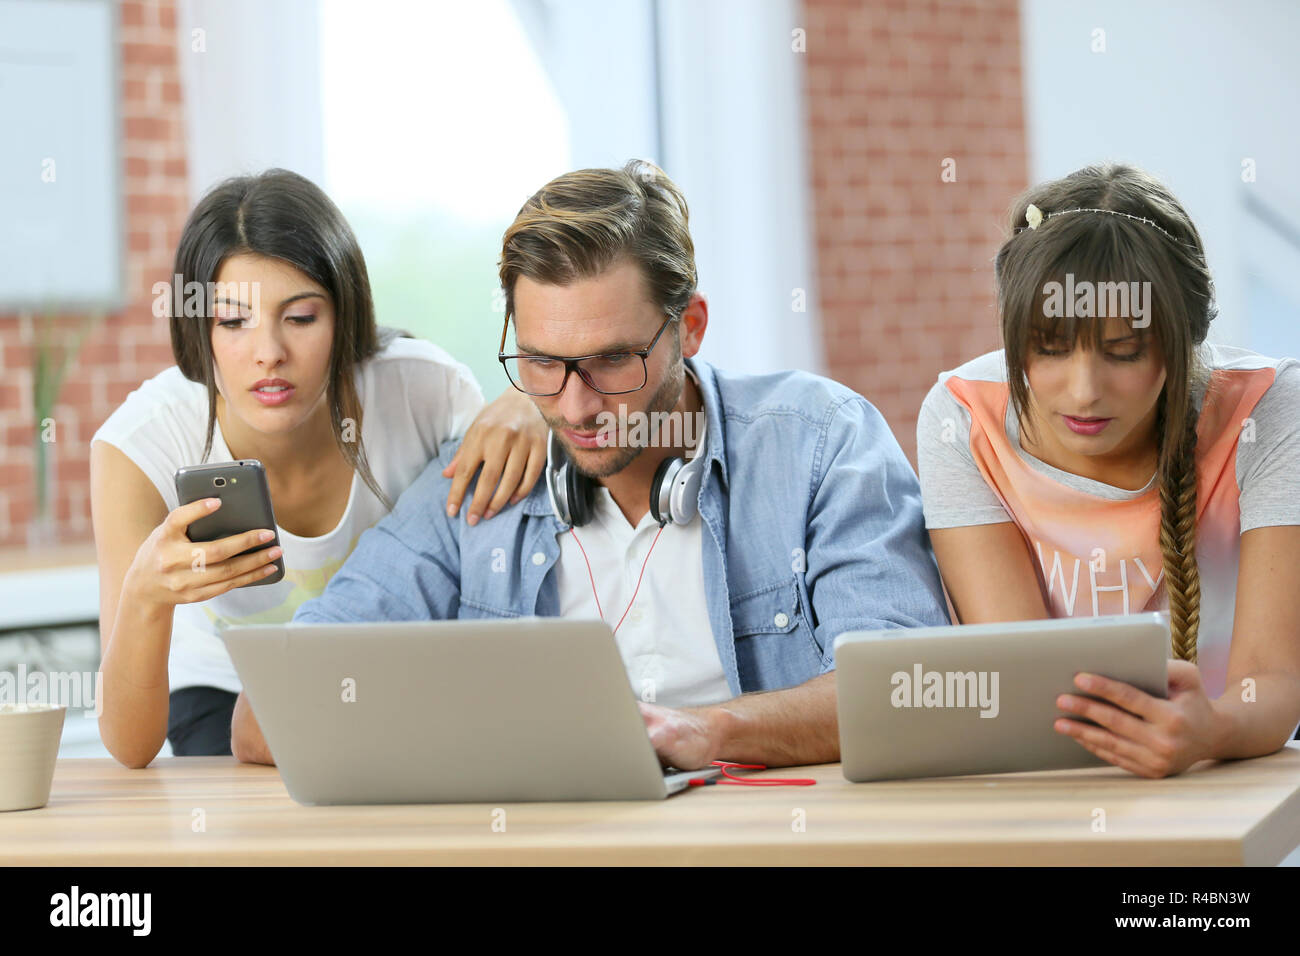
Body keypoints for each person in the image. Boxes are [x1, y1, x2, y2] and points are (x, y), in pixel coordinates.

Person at [232, 159, 950, 767]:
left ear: (690, 327)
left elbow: (909, 689)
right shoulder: (480, 487)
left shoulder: (819, 444)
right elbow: (262, 719)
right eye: (542, 363)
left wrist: (707, 730)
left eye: (613, 361)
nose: (575, 408)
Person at [91, 169, 548, 768]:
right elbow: (129, 748)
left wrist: (536, 403)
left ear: (344, 315)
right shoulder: (141, 442)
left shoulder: (424, 392)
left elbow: (506, 537)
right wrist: (146, 598)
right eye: (233, 322)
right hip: (224, 698)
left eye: (301, 317)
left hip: (390, 684)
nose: (269, 352)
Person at [917, 162, 1300, 778]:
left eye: (1124, 352)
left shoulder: (1269, 410)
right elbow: (1026, 682)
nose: (1085, 391)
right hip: (1051, 783)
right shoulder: (963, 417)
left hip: (1224, 776)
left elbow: (1274, 682)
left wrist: (1209, 733)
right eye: (1048, 348)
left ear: (1184, 342)